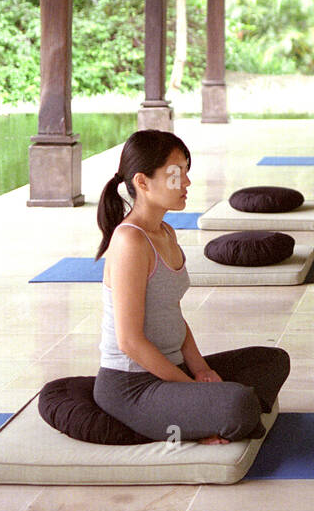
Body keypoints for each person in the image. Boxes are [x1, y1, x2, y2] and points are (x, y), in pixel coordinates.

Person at [93, 130, 290, 444]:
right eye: (176, 174)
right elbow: (129, 341)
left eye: (186, 172)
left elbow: (170, 312)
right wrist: (190, 388)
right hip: (132, 387)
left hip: (171, 369)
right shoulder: (130, 240)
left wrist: (201, 370)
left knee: (272, 361)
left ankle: (203, 413)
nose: (186, 183)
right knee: (238, 405)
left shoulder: (166, 232)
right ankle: (203, 417)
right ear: (142, 182)